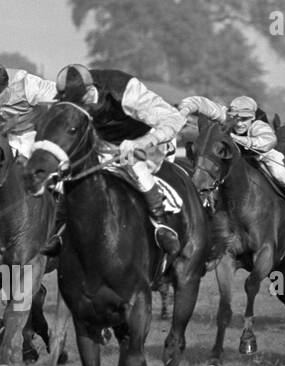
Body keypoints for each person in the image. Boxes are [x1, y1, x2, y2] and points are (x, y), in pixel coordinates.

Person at [42, 64, 187, 257]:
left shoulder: (124, 90)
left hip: (143, 142)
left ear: (90, 90)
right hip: (102, 145)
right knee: (71, 173)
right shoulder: (70, 95)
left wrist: (141, 142)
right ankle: (59, 230)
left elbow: (174, 119)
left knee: (133, 165)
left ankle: (161, 224)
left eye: (79, 101)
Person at [180, 93, 285, 228]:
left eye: (245, 119)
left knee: (279, 174)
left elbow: (269, 141)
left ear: (252, 117)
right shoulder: (224, 115)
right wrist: (184, 110)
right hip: (234, 157)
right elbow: (200, 103)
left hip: (261, 154)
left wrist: (240, 139)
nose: (239, 124)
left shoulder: (259, 126)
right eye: (236, 118)